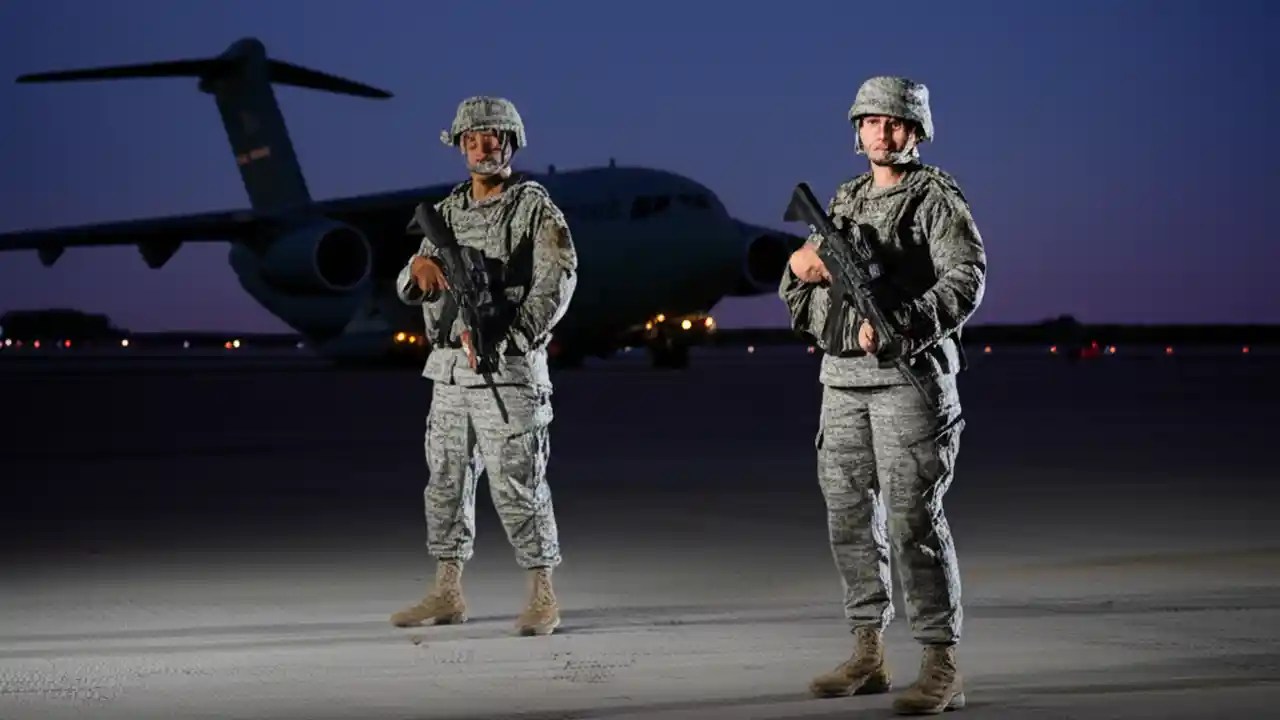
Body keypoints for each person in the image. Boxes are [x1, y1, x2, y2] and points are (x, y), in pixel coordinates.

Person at [779, 76, 986, 714]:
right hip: (843, 382)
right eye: (872, 122)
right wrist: (804, 275)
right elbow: (803, 296)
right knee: (847, 518)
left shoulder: (934, 198)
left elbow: (967, 275)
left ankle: (941, 661)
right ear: (857, 130)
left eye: (896, 123)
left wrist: (904, 323)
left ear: (916, 131)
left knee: (912, 522)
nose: (883, 133)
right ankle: (867, 651)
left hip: (910, 382)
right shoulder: (842, 201)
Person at [390, 96, 578, 637]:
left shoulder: (534, 209)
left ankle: (543, 594)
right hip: (449, 371)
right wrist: (418, 268)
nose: (481, 147)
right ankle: (447, 591)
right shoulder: (446, 212)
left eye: (491, 138)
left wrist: (514, 338)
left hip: (508, 372)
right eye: (471, 140)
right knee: (445, 483)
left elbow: (557, 281)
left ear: (510, 142)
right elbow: (409, 284)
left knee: (519, 484)